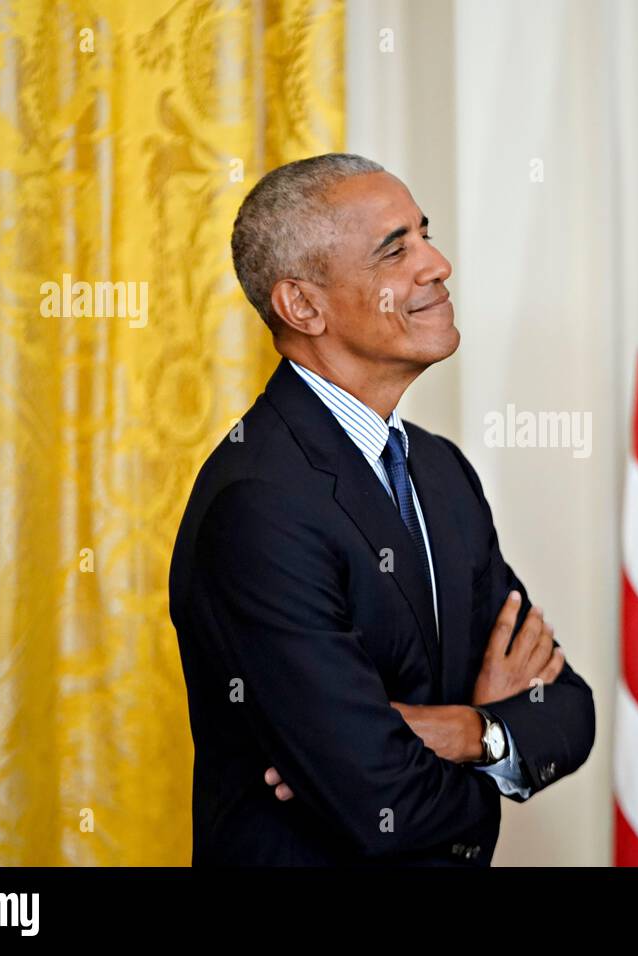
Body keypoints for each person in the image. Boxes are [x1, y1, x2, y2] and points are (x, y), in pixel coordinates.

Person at [168, 153, 596, 865]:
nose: (438, 264)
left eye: (424, 235)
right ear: (303, 306)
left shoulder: (438, 470)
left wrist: (468, 733)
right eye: (396, 249)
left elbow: (568, 711)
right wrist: (491, 738)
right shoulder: (258, 505)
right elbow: (382, 803)